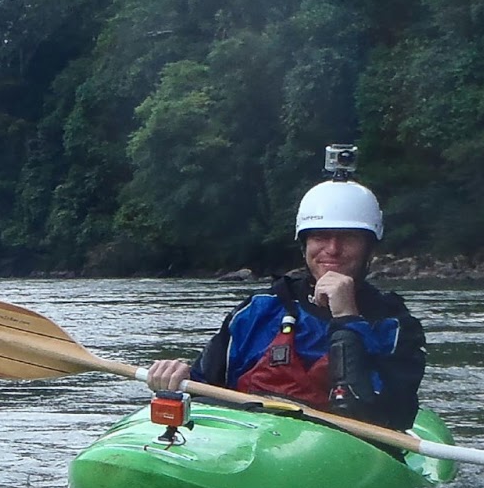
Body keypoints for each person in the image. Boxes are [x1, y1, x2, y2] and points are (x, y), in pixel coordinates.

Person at [146, 149, 427, 430]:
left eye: (348, 238)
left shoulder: (396, 328)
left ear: (369, 248)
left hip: (339, 456)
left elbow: (372, 417)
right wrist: (176, 379)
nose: (332, 249)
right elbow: (201, 390)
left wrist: (346, 319)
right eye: (320, 237)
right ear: (303, 245)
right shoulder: (258, 311)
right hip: (247, 443)